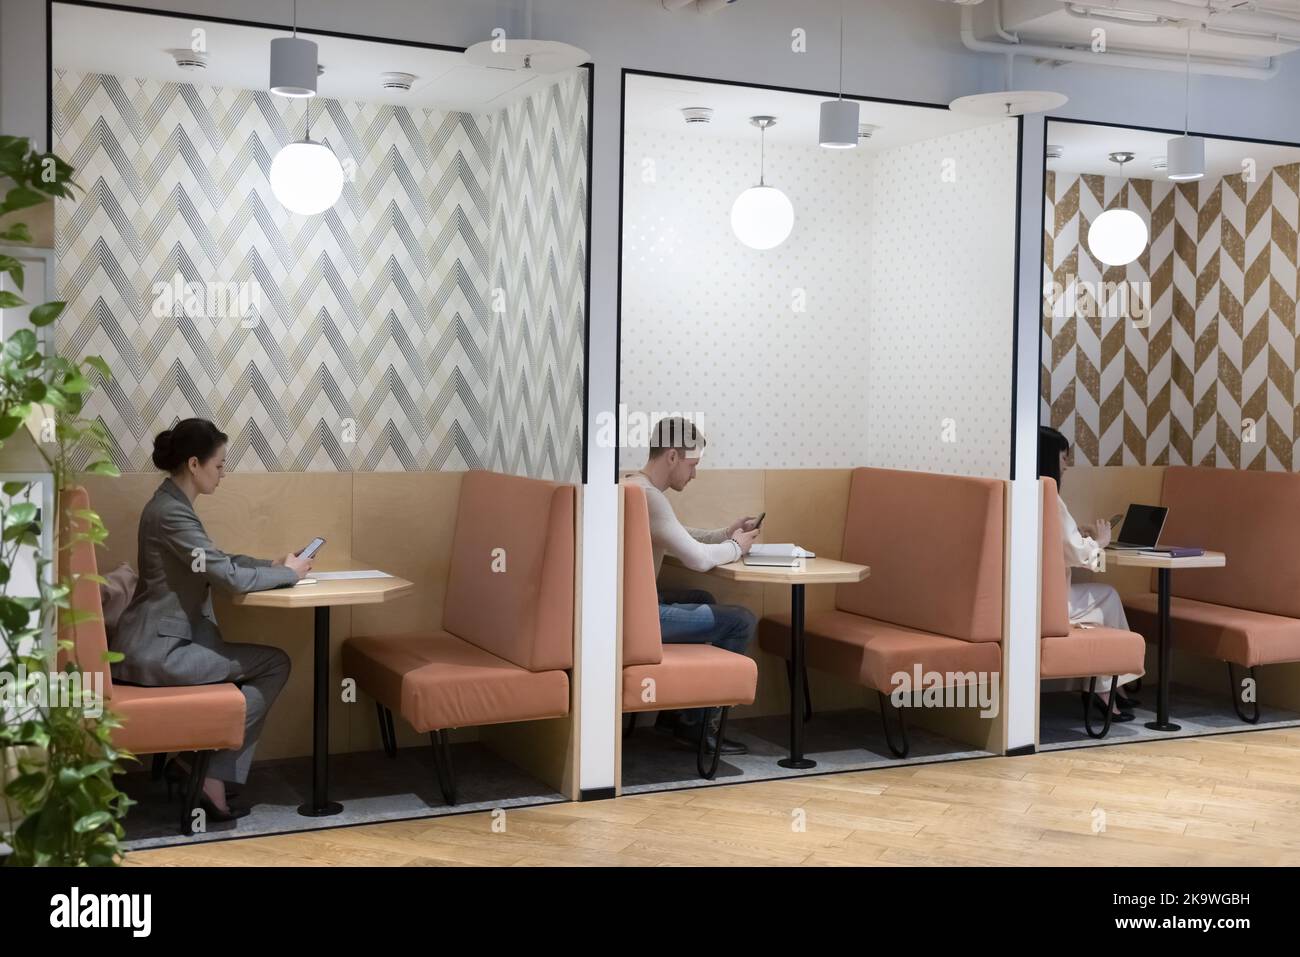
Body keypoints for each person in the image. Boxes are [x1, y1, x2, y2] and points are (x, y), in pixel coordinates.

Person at [111, 418, 314, 820]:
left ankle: (200, 767)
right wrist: (289, 575)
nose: (223, 474)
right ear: (193, 464)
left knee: (266, 663)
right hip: (160, 653)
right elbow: (227, 578)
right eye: (219, 466)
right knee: (275, 664)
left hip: (159, 645)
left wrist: (271, 564)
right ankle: (205, 772)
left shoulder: (171, 506)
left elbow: (216, 561)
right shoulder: (172, 514)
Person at [624, 417, 761, 754]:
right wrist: (736, 549)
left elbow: (677, 535)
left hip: (625, 608)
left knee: (702, 597)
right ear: (672, 456)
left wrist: (725, 534)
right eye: (692, 464)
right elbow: (698, 560)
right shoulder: (649, 497)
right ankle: (700, 727)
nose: (695, 474)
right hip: (632, 620)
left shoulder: (631, 485)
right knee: (741, 619)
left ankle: (681, 716)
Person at [1038, 425, 1139, 720]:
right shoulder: (1050, 497)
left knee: (1105, 597)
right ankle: (1105, 689)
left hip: (1032, 599)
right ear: (1050, 457)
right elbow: (1080, 555)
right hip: (1050, 605)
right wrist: (1100, 542)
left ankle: (1110, 687)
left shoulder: (1025, 490)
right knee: (1108, 597)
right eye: (1064, 457)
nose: (1066, 465)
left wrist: (1083, 537)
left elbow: (1064, 544)